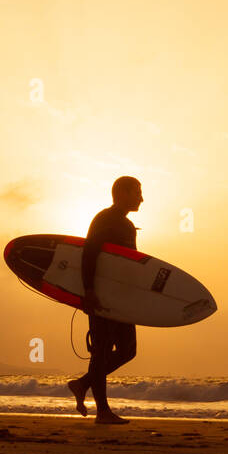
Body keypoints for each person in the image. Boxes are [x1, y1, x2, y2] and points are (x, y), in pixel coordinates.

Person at [67, 176, 143, 424]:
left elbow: (127, 265)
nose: (141, 198)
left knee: (127, 350)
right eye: (137, 193)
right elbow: (88, 255)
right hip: (100, 296)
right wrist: (89, 290)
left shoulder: (126, 225)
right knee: (100, 351)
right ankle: (102, 412)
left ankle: (83, 383)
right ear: (122, 193)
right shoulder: (106, 219)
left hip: (119, 299)